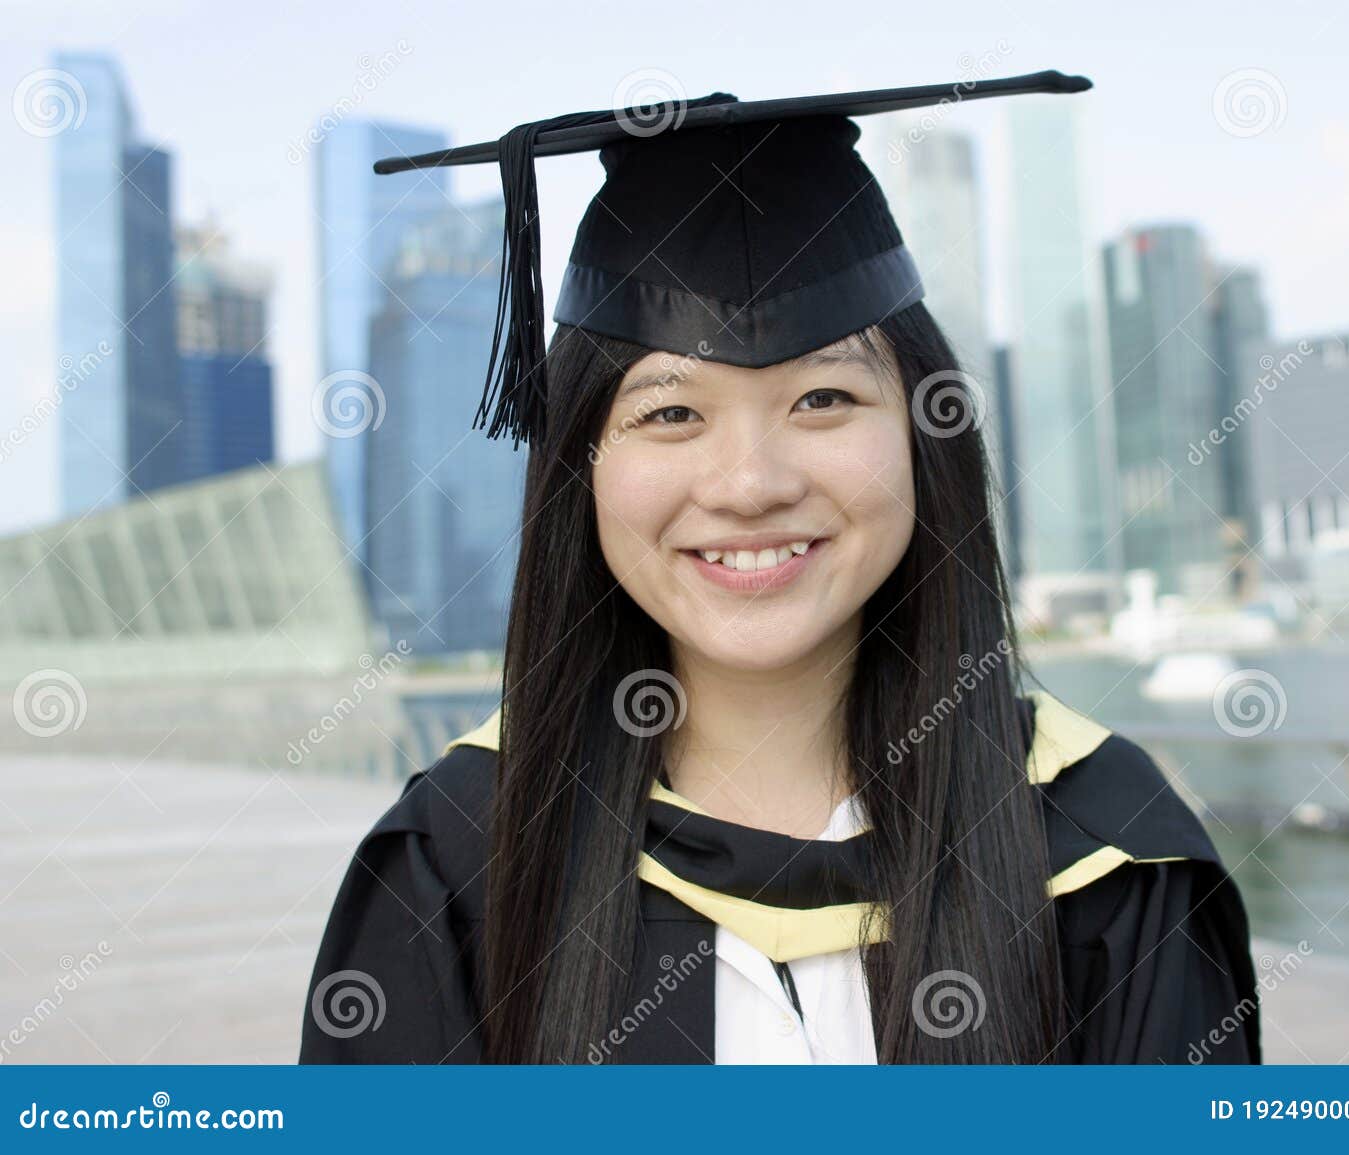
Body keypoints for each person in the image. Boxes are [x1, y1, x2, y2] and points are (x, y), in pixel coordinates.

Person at [298, 71, 1261, 1065]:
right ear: (577, 470)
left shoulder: (1105, 853)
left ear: (927, 437)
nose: (749, 484)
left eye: (824, 401)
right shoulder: (456, 866)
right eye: (670, 413)